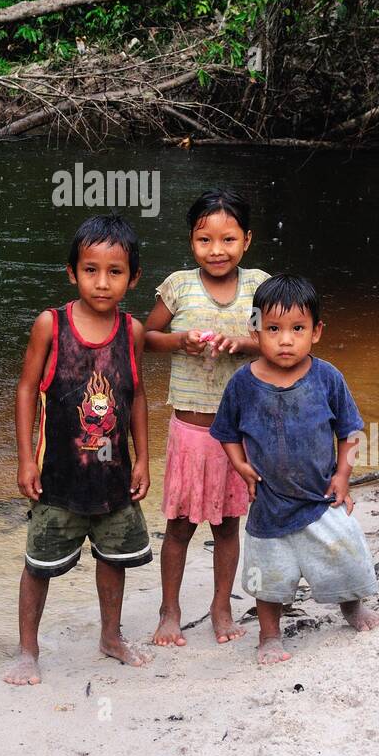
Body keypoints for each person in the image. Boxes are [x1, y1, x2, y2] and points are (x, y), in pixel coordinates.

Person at [5, 214, 152, 685]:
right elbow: (27, 389)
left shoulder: (132, 331)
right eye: (91, 269)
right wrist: (27, 458)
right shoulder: (52, 325)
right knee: (39, 565)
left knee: (115, 559)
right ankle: (28, 650)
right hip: (58, 479)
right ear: (72, 272)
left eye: (115, 272)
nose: (102, 282)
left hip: (114, 479)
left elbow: (139, 396)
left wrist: (145, 458)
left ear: (133, 278)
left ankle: (111, 636)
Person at [209, 273, 379, 665]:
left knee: (345, 556)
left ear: (316, 331)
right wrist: (239, 464)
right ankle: (269, 636)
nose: (285, 339)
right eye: (273, 329)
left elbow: (350, 430)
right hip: (269, 506)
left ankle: (352, 609)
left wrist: (342, 476)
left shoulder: (326, 378)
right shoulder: (242, 384)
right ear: (255, 329)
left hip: (321, 497)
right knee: (268, 578)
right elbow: (227, 431)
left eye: (297, 329)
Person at [144, 189, 269, 646]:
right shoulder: (179, 285)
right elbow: (147, 335)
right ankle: (169, 610)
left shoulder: (259, 286)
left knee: (227, 524)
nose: (216, 251)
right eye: (204, 240)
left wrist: (244, 344)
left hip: (240, 433)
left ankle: (221, 607)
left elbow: (275, 341)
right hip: (190, 430)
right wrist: (182, 343)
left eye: (228, 240)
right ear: (191, 241)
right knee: (179, 525)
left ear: (247, 240)